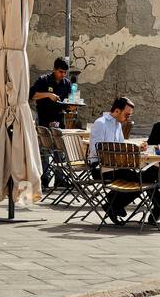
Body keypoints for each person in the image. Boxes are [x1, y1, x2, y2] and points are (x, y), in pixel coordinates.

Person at [88, 95, 159, 224]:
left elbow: (121, 147)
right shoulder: (101, 123)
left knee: (150, 174)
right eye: (127, 115)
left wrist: (137, 149)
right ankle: (114, 205)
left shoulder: (117, 125)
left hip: (118, 167)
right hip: (101, 167)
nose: (128, 118)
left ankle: (113, 204)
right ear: (116, 111)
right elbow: (96, 150)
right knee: (143, 179)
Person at [30, 56, 72, 188]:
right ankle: (44, 179)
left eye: (65, 72)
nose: (63, 75)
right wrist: (48, 95)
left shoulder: (66, 83)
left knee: (60, 150)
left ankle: (60, 178)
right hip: (44, 119)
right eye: (60, 72)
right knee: (44, 150)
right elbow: (31, 95)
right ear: (54, 69)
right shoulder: (44, 80)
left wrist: (71, 106)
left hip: (59, 119)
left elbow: (67, 102)